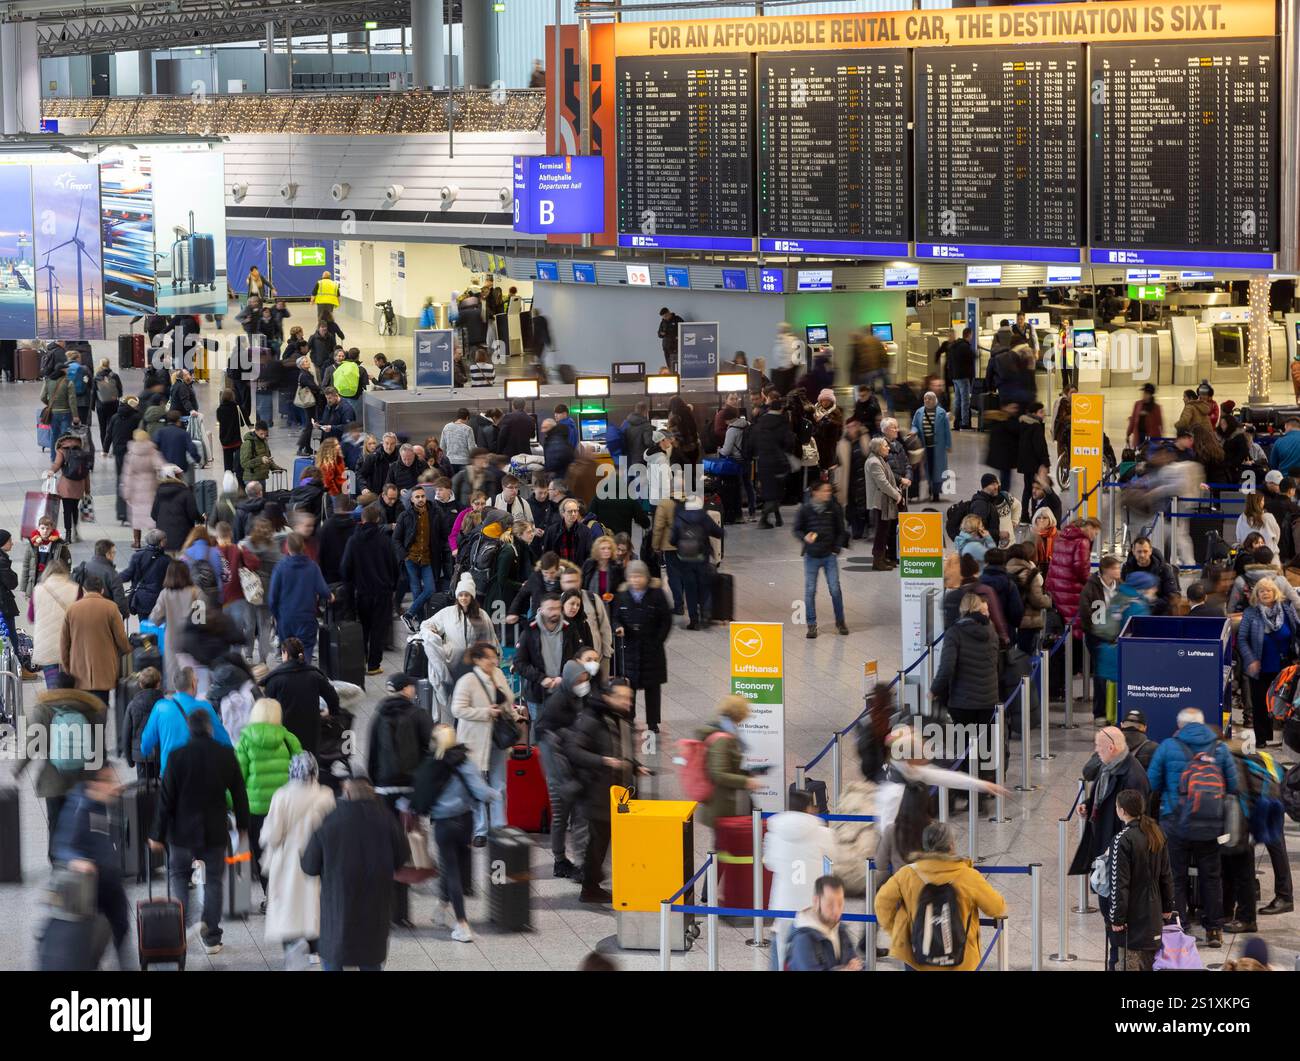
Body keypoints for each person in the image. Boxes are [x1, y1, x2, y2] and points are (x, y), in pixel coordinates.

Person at [148, 707, 249, 955]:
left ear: (189, 729)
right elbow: (239, 794)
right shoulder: (225, 755)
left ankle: (180, 929)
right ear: (209, 728)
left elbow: (166, 800)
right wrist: (244, 826)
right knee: (213, 880)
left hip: (180, 834)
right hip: (214, 831)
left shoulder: (176, 756)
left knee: (179, 877)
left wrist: (156, 835)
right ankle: (211, 936)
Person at [1145, 707, 1237, 947]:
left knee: (1176, 876)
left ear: (1180, 725)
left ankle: (1180, 926)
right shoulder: (1220, 748)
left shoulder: (1167, 746)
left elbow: (1152, 783)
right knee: (1212, 876)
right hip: (1211, 825)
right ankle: (1214, 929)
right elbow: (1234, 785)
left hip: (1175, 824)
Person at [300, 775, 407, 971]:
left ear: (347, 794)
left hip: (338, 912)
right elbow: (401, 859)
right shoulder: (387, 820)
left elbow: (309, 866)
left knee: (333, 960)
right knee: (371, 961)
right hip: (375, 912)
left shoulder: (330, 822)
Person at [1068, 726, 1152, 968]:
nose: (1095, 751)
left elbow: (1135, 821)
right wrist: (1088, 803)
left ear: (1112, 748)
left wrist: (1118, 855)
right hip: (1105, 847)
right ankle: (1115, 958)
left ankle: (1117, 960)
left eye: (1098, 747)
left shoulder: (1132, 777)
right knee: (1108, 909)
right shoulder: (1110, 766)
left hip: (1118, 855)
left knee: (1115, 910)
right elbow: (1102, 794)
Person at [874, 822, 1008, 971]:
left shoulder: (907, 874)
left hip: (917, 957)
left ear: (923, 846)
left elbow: (882, 903)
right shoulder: (968, 876)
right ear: (951, 845)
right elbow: (997, 908)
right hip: (961, 960)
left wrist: (897, 931)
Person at [412, 724, 501, 943]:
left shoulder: (431, 765)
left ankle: (454, 918)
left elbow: (420, 795)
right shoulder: (464, 762)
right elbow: (481, 792)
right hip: (465, 821)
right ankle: (456, 919)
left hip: (443, 825)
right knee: (458, 872)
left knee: (451, 871)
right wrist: (497, 794)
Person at [565, 678, 645, 903]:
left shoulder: (619, 718)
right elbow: (573, 750)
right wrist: (604, 761)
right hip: (599, 794)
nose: (627, 701)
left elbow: (620, 750)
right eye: (621, 697)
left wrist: (636, 767)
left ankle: (599, 882)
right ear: (608, 698)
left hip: (618, 792)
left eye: (629, 697)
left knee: (606, 842)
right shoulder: (592, 720)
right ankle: (590, 887)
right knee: (599, 843)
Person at [15, 672, 106, 862]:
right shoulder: (90, 708)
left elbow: (33, 745)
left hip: (53, 779)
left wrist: (19, 768)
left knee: (55, 820)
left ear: (54, 687)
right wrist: (103, 770)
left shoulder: (43, 709)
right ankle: (81, 855)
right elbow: (99, 745)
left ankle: (56, 858)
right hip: (83, 777)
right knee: (82, 817)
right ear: (75, 687)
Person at [260, 751, 334, 965]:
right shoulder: (326, 795)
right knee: (314, 903)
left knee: (288, 904)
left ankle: (292, 947)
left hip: (287, 858)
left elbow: (273, 834)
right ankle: (315, 949)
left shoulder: (281, 796)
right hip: (318, 856)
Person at [235, 696, 302, 904]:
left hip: (256, 808)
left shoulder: (245, 740)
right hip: (286, 806)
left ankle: (270, 896)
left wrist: (231, 804)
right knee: (286, 851)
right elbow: (300, 771)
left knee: (263, 853)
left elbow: (238, 777)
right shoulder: (288, 739)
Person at [537, 655, 596, 878]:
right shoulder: (556, 705)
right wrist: (564, 779)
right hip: (559, 774)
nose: (583, 683)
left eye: (585, 678)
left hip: (572, 769)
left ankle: (578, 861)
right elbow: (550, 746)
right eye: (579, 679)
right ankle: (560, 860)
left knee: (577, 817)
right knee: (561, 817)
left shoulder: (575, 698)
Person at [931, 592, 1000, 782]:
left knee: (964, 747)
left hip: (963, 701)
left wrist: (935, 689)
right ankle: (986, 786)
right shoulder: (991, 631)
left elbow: (946, 668)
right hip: (988, 699)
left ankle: (969, 791)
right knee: (985, 745)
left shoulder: (955, 633)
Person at [1104, 788, 1175, 970]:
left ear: (1123, 811)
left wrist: (1117, 918)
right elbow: (1166, 875)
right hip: (1154, 913)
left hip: (1132, 918)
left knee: (1128, 963)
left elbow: (1120, 883)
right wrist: (1168, 906)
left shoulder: (1123, 840)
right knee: (1149, 964)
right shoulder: (1156, 833)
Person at [763, 790, 836, 964]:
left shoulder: (774, 832)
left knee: (780, 947)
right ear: (809, 808)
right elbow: (833, 860)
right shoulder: (824, 833)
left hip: (784, 899)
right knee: (814, 950)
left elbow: (770, 863)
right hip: (813, 902)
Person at [610, 561, 673, 731]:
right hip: (630, 648)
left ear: (646, 577)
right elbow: (615, 617)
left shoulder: (657, 594)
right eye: (632, 576)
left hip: (651, 648)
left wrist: (659, 640)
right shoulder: (622, 595)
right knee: (629, 686)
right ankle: (629, 719)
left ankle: (653, 722)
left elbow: (666, 620)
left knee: (653, 688)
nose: (636, 580)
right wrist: (618, 627)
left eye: (639, 576)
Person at [339, 502, 400, 676]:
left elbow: (345, 568)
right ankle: (374, 665)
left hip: (362, 593)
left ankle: (362, 659)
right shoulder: (385, 540)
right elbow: (394, 566)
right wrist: (393, 586)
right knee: (378, 629)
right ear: (378, 519)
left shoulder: (353, 540)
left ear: (362, 519)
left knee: (363, 628)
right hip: (382, 592)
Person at [1238, 577, 1298, 748]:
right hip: (1260, 666)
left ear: (1275, 592)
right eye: (1261, 591)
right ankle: (1262, 739)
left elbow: (1297, 631)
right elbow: (1242, 639)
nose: (1265, 593)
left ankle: (1287, 740)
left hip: (1285, 666)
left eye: (1268, 590)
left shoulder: (1287, 610)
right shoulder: (1251, 613)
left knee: (1288, 703)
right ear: (1257, 594)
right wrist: (1251, 660)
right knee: (1260, 703)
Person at [59, 574, 129, 710]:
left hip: (79, 672)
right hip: (104, 672)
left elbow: (64, 644)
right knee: (100, 712)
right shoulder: (111, 608)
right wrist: (129, 649)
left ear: (84, 590)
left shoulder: (72, 610)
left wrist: (68, 667)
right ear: (102, 590)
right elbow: (121, 639)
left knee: (84, 713)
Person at [794, 478, 849, 638]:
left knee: (835, 589)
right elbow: (796, 529)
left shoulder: (834, 508)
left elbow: (841, 530)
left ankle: (840, 621)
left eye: (829, 491)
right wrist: (805, 537)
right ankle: (811, 624)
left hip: (829, 555)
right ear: (815, 492)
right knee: (810, 590)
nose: (828, 494)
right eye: (825, 491)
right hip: (811, 556)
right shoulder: (805, 510)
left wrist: (836, 549)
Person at [268, 533, 332, 665]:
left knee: (288, 650)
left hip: (285, 618)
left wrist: (276, 615)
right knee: (306, 649)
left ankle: (289, 678)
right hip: (306, 617)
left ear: (287, 547)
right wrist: (330, 596)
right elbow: (323, 590)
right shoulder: (312, 567)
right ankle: (305, 676)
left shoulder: (280, 568)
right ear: (303, 546)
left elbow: (272, 597)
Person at [784, 875, 860, 971]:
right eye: (830, 904)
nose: (836, 911)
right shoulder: (802, 939)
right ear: (816, 901)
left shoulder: (840, 930)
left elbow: (857, 965)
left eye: (840, 903)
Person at [1044, 517, 1103, 640]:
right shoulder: (1082, 542)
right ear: (1089, 527)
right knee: (1074, 629)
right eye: (1095, 533)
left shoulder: (1061, 537)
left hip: (1056, 587)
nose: (1094, 537)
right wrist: (1094, 583)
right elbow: (1081, 570)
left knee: (1061, 627)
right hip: (1071, 590)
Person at [669, 495, 722, 630]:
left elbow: (672, 540)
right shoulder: (703, 517)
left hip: (685, 560)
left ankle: (694, 620)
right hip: (702, 558)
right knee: (705, 587)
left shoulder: (679, 517)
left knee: (690, 589)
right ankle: (705, 616)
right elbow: (719, 532)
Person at [395, 484, 441, 631]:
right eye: (417, 497)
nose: (421, 499)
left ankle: (409, 614)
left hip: (427, 558)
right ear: (412, 499)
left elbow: (441, 534)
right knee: (416, 591)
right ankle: (420, 623)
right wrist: (405, 556)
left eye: (422, 496)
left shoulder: (434, 512)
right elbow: (396, 539)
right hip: (411, 558)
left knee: (430, 589)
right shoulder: (405, 515)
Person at [745, 397, 797, 529]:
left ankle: (777, 519)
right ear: (781, 409)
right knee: (776, 492)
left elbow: (751, 441)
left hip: (762, 461)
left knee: (769, 489)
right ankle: (763, 519)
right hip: (778, 462)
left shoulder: (761, 421)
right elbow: (788, 442)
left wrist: (750, 456)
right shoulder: (782, 422)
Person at [30, 545, 77, 688]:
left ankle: (56, 707)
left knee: (53, 686)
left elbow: (31, 617)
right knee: (70, 686)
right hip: (70, 646)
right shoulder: (76, 589)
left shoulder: (38, 589)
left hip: (46, 646)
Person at [865, 436, 904, 571]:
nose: (888, 448)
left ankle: (882, 557)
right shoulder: (874, 462)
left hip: (885, 501)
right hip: (880, 502)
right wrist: (896, 495)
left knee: (885, 531)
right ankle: (877, 560)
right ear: (878, 448)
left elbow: (889, 480)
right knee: (881, 533)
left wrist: (896, 490)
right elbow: (883, 484)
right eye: (885, 446)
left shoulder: (880, 459)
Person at [911, 390, 952, 501]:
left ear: (935, 400)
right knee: (927, 468)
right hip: (925, 446)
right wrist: (913, 431)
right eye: (925, 398)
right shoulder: (919, 412)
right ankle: (930, 488)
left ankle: (936, 493)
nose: (927, 400)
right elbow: (914, 425)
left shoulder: (942, 413)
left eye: (930, 398)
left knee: (937, 470)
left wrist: (948, 445)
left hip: (938, 447)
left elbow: (947, 431)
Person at [48, 431, 89, 542]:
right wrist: (87, 490)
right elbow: (86, 472)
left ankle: (68, 535)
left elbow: (57, 464)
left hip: (66, 485)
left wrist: (51, 471)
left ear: (62, 441)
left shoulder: (62, 450)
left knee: (67, 510)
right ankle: (75, 531)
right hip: (79, 485)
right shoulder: (82, 451)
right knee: (74, 509)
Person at [947, 327, 978, 430]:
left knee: (958, 401)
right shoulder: (964, 346)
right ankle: (965, 423)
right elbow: (973, 356)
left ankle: (956, 423)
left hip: (955, 377)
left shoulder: (954, 346)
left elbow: (949, 363)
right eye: (971, 335)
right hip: (963, 377)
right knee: (965, 401)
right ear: (969, 335)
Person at [1237, 491, 1282, 556]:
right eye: (1263, 500)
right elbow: (1277, 536)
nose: (1263, 503)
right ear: (1258, 502)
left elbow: (1239, 538)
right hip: (1269, 557)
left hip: (1248, 556)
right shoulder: (1268, 517)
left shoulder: (1241, 518)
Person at [440, 409, 475, 478]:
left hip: (450, 461)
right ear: (467, 417)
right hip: (464, 462)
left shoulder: (446, 427)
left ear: (457, 417)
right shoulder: (468, 429)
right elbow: (472, 448)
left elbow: (442, 446)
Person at [657, 307, 683, 371]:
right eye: (663, 317)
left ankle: (676, 375)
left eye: (666, 316)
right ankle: (671, 375)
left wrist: (678, 336)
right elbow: (659, 334)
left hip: (675, 346)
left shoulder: (677, 319)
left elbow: (684, 329)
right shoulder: (663, 322)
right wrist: (661, 333)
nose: (665, 318)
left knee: (674, 363)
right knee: (669, 364)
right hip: (666, 346)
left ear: (669, 312)